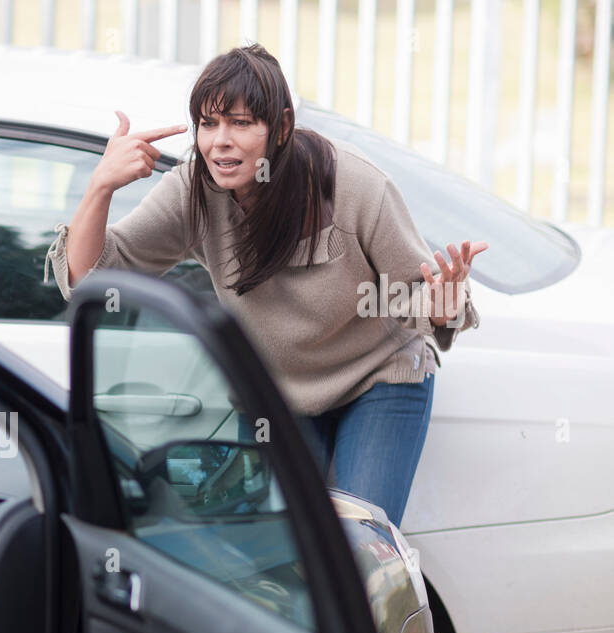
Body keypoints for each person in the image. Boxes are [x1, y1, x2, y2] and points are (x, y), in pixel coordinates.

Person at [45, 43, 487, 526]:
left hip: (377, 377)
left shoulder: (355, 186)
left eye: (241, 123)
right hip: (278, 395)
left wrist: (443, 304)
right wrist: (100, 187)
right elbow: (93, 277)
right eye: (209, 124)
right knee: (276, 549)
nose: (220, 142)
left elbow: (417, 294)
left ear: (280, 128)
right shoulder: (195, 190)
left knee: (361, 545)